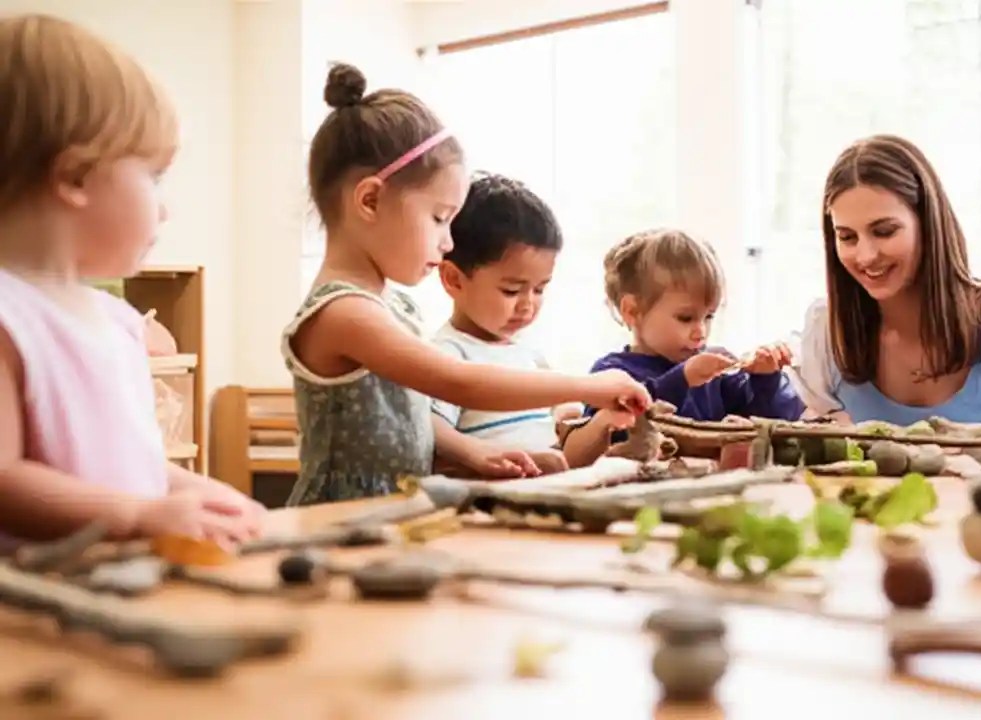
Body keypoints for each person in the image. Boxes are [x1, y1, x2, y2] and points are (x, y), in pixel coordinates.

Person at [282, 64, 650, 506]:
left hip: (390, 510)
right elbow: (458, 382)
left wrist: (476, 450)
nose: (449, 240)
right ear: (370, 199)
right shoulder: (345, 313)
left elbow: (414, 410)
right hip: (338, 517)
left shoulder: (390, 305)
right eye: (439, 218)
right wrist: (588, 385)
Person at [0, 15, 264, 548]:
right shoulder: (11, 318)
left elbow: (131, 470)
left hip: (120, 587)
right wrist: (140, 516)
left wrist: (200, 492)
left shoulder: (116, 322)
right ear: (75, 177)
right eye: (154, 176)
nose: (164, 209)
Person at [793, 135, 981, 427]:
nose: (865, 256)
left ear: (928, 223)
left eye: (885, 231)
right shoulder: (826, 330)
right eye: (847, 237)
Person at [430, 173, 633, 474]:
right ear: (453, 279)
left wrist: (574, 416)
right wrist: (479, 454)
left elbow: (559, 423)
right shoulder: (448, 353)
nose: (528, 305)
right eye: (511, 290)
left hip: (546, 474)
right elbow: (430, 425)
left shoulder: (529, 354)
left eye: (540, 289)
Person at [585, 229, 804, 430]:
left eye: (708, 316)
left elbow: (768, 423)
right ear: (632, 311)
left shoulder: (715, 372)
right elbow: (613, 434)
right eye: (686, 318)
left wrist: (765, 379)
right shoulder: (610, 373)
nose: (701, 331)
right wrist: (682, 379)